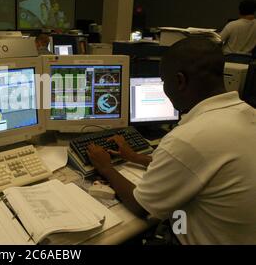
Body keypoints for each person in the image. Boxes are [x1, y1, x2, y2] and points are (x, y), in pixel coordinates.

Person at [87, 37, 256, 244]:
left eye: (164, 82)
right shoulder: (247, 114)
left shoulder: (189, 139)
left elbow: (143, 206)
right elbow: (198, 167)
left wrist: (106, 168)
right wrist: (134, 157)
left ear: (180, 81)